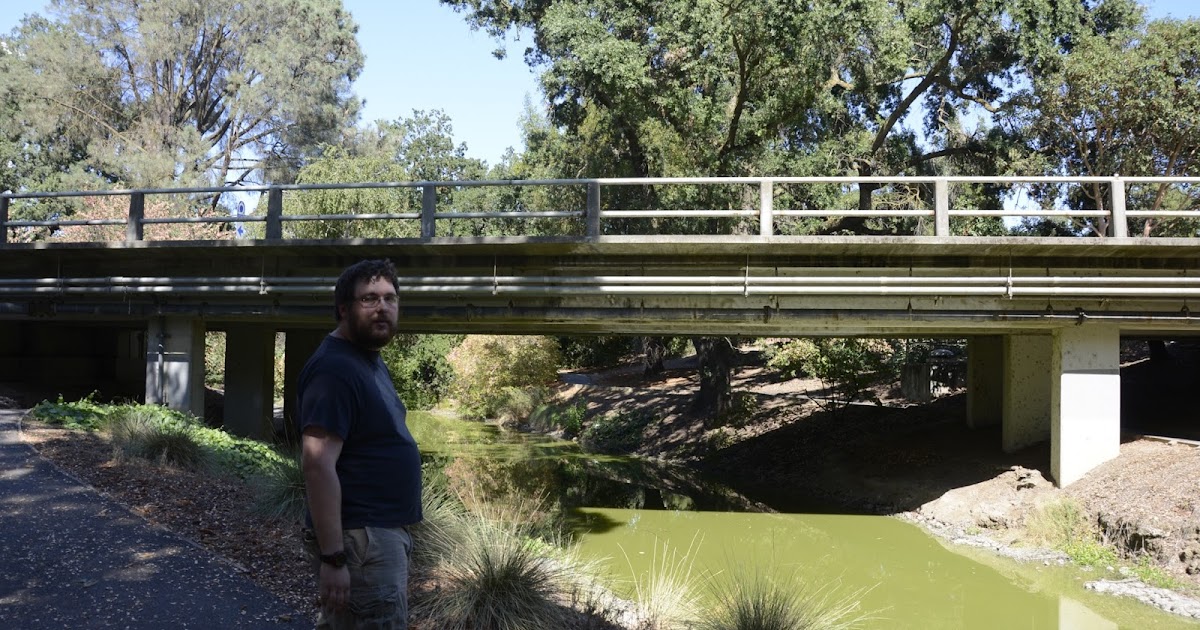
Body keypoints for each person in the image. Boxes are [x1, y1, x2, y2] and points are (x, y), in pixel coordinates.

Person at [296, 259, 422, 629]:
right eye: (369, 299)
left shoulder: (366, 359)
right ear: (344, 309)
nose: (382, 307)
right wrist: (333, 559)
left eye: (390, 298)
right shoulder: (334, 370)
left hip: (374, 535)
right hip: (361, 540)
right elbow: (317, 463)